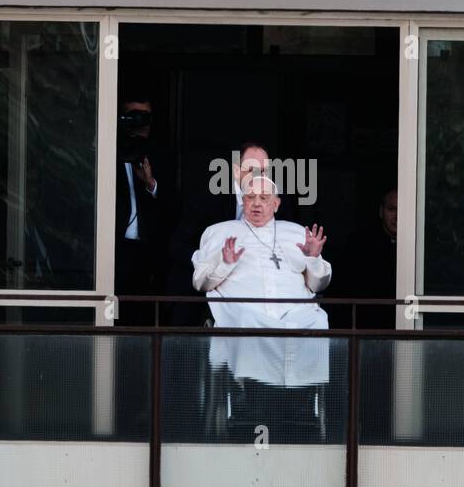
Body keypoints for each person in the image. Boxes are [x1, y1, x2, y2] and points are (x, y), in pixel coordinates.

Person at [191, 174, 331, 388]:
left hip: (295, 315)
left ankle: (302, 396)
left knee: (319, 320)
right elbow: (199, 283)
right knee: (249, 320)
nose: (256, 203)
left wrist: (312, 258)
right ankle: (252, 393)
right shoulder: (220, 232)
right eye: (250, 197)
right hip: (247, 314)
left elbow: (318, 285)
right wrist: (225, 264)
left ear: (276, 204)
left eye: (264, 198)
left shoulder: (296, 232)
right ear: (242, 201)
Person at [166, 141, 271, 325]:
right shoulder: (208, 198)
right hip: (202, 289)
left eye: (263, 171)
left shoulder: (276, 200)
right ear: (236, 171)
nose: (258, 177)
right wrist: (209, 264)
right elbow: (177, 245)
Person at [114, 94, 167, 325]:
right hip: (114, 250)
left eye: (145, 118)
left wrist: (150, 184)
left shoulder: (159, 155)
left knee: (144, 317)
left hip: (148, 252)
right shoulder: (107, 152)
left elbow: (172, 204)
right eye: (134, 117)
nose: (140, 124)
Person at [349, 187, 397, 328]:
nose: (397, 215)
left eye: (402, 210)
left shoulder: (418, 247)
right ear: (381, 211)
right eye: (391, 209)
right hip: (369, 326)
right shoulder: (360, 245)